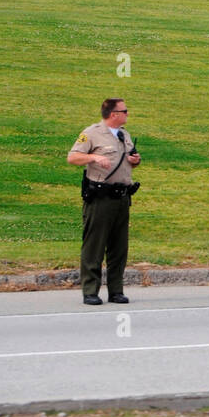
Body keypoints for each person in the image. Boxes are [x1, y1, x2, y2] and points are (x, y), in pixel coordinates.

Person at [67, 98, 141, 305]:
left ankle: (116, 290)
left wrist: (135, 161)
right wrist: (94, 158)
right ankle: (90, 291)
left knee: (119, 248)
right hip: (100, 198)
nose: (127, 114)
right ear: (113, 114)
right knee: (94, 246)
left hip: (122, 197)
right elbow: (72, 157)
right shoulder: (92, 133)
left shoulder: (124, 135)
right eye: (124, 111)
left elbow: (128, 162)